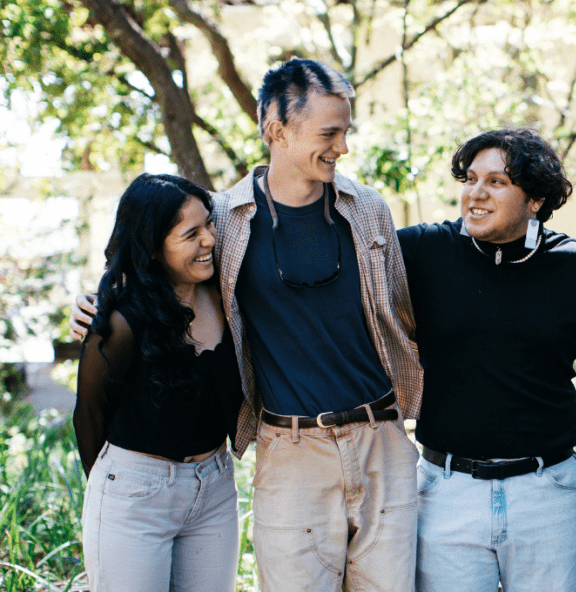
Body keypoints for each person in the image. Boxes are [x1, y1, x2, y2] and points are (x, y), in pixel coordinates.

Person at [72, 58, 423, 592]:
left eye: (346, 131)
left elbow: (402, 309)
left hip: (383, 441)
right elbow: (156, 264)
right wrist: (96, 304)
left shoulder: (368, 209)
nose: (343, 147)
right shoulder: (224, 221)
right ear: (276, 130)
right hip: (290, 450)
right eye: (330, 133)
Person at [397, 128, 576, 592]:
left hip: (546, 496)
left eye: (496, 182)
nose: (475, 194)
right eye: (470, 179)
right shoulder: (424, 251)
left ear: (535, 199)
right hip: (445, 491)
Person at [75, 173, 243, 591]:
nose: (209, 240)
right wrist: (118, 491)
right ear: (153, 247)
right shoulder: (122, 320)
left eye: (209, 225)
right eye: (191, 234)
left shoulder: (228, 296)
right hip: (134, 496)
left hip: (215, 490)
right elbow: (89, 413)